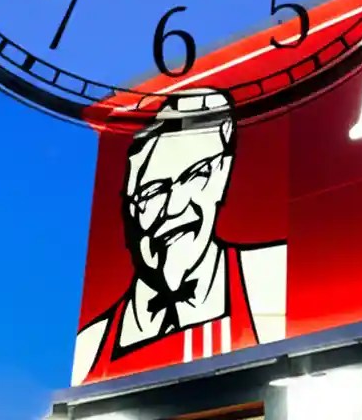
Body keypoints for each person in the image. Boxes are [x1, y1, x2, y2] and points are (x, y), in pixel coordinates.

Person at [72, 90, 286, 386]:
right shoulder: (90, 347)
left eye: (195, 176)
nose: (175, 207)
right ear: (132, 208)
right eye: (154, 191)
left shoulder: (270, 280)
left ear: (221, 176)